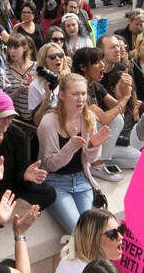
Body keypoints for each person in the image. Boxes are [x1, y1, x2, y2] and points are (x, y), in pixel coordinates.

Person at [37, 73, 109, 230]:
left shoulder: (88, 117)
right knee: (77, 231)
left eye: (83, 93)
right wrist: (70, 147)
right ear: (62, 95)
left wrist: (94, 145)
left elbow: (90, 159)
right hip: (56, 182)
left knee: (89, 231)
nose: (81, 99)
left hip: (82, 180)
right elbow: (50, 165)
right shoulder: (48, 122)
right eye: (75, 94)